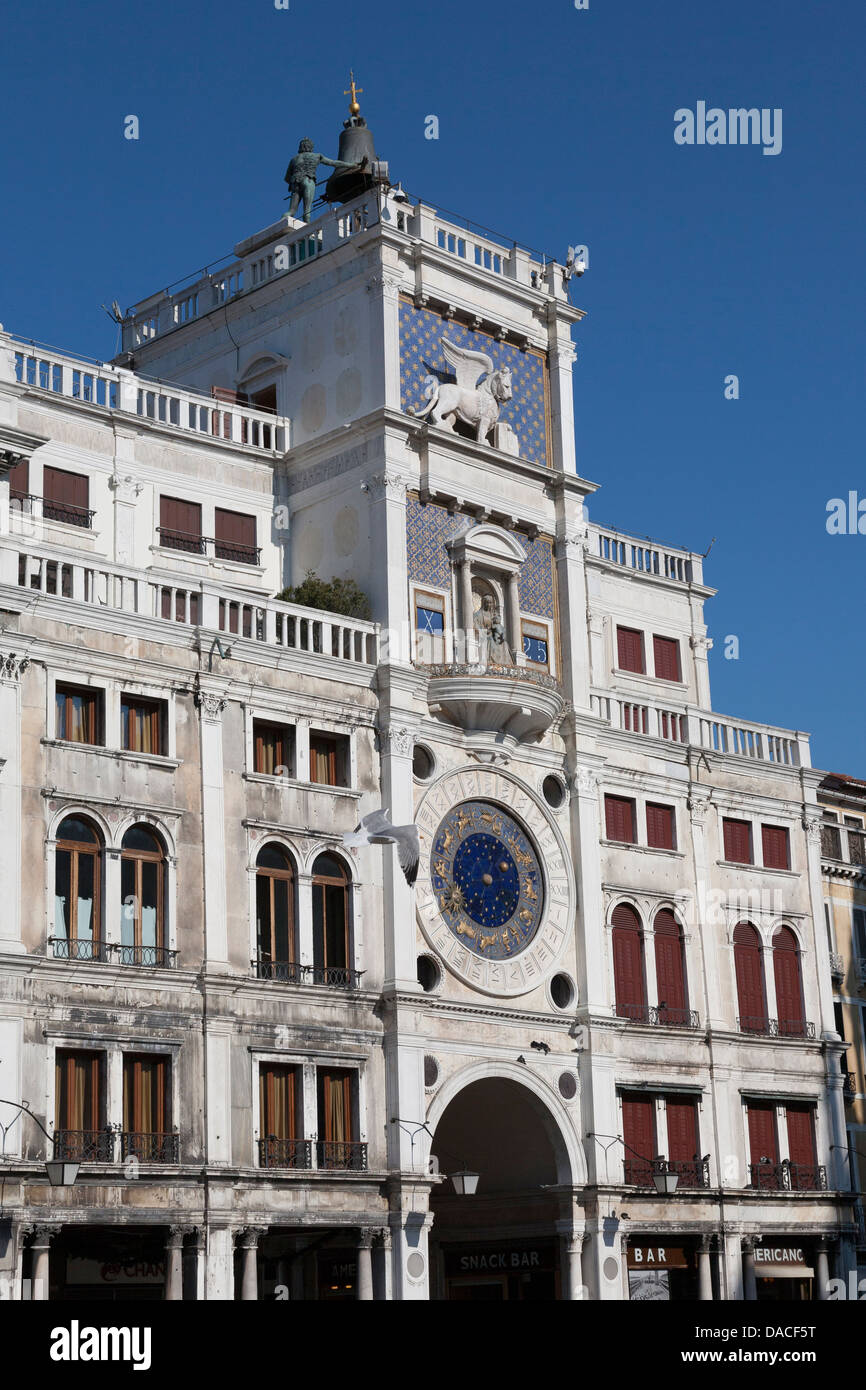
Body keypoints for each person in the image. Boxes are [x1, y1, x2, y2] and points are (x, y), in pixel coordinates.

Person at [283, 138, 358, 223]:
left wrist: (295, 184)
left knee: (291, 211)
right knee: (307, 210)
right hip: (308, 180)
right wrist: (352, 165)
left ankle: (279, 230)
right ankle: (308, 232)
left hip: (295, 183)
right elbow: (334, 163)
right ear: (311, 147)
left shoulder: (294, 159)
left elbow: (287, 178)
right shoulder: (317, 156)